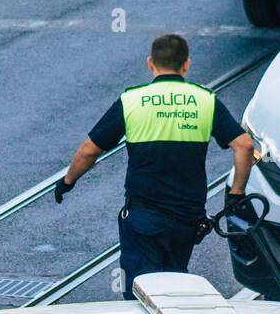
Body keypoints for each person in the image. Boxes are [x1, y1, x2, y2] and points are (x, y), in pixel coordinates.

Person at [54, 33, 256, 297]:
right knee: (172, 290)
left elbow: (89, 151)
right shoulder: (204, 100)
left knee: (140, 295)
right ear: (186, 64)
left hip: (144, 217)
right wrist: (236, 194)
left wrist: (68, 181)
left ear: (151, 63)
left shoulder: (132, 101)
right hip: (186, 219)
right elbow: (245, 146)